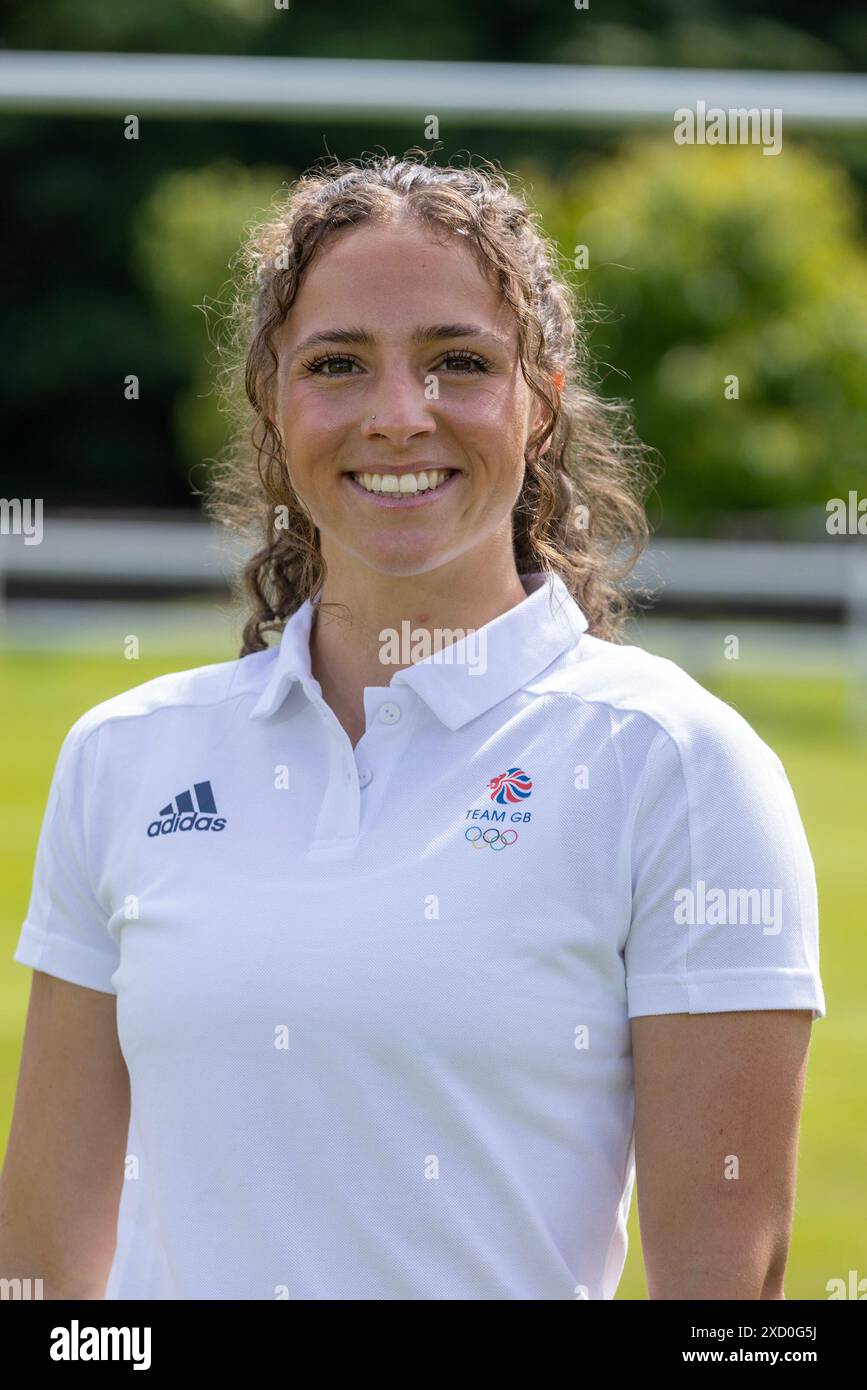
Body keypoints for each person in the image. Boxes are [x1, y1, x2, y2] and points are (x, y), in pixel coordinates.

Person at [1, 151, 825, 1300]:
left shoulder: (675, 765)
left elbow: (726, 1308)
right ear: (274, 402)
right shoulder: (125, 756)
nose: (399, 415)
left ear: (538, 400)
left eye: (458, 362)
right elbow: (39, 1277)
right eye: (338, 364)